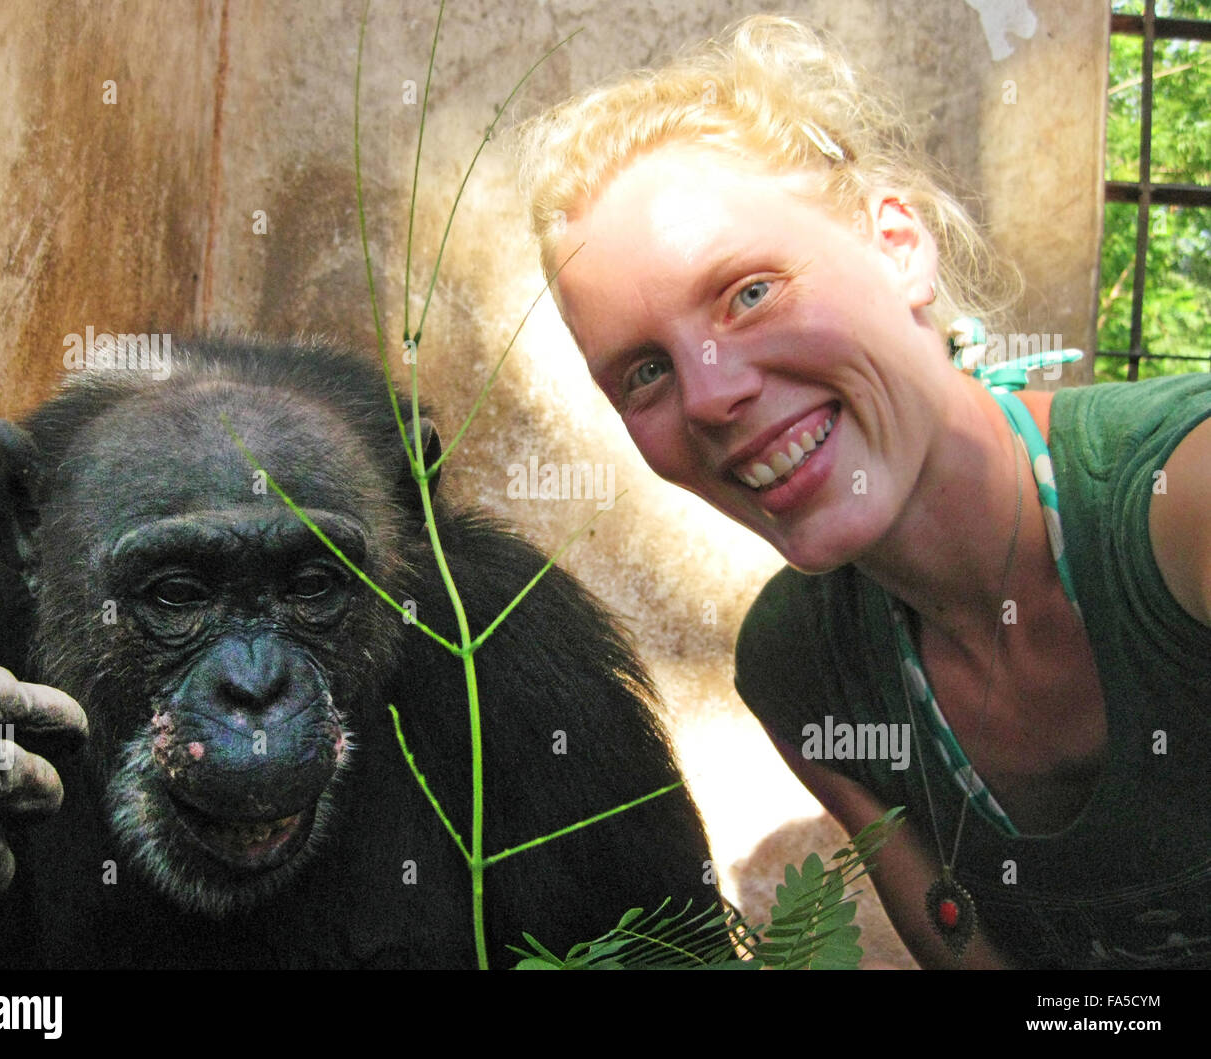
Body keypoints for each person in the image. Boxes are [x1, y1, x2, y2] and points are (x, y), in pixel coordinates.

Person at [515, 14, 1211, 969]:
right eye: (644, 372)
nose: (713, 395)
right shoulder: (799, 665)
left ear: (898, 247)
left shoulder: (1187, 501)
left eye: (750, 292)